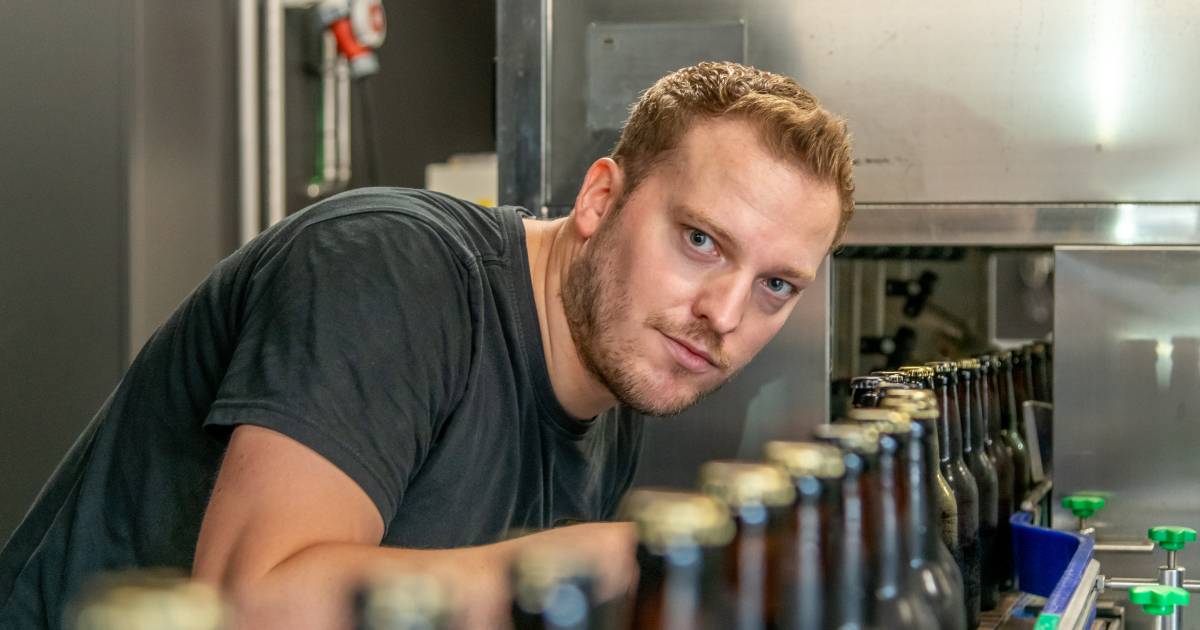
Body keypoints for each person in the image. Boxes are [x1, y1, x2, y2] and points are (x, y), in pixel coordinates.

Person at [0, 61, 854, 629]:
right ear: (601, 200)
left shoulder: (623, 372)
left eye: (776, 284)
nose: (724, 313)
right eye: (701, 240)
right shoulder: (388, 266)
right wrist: (632, 557)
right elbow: (251, 603)